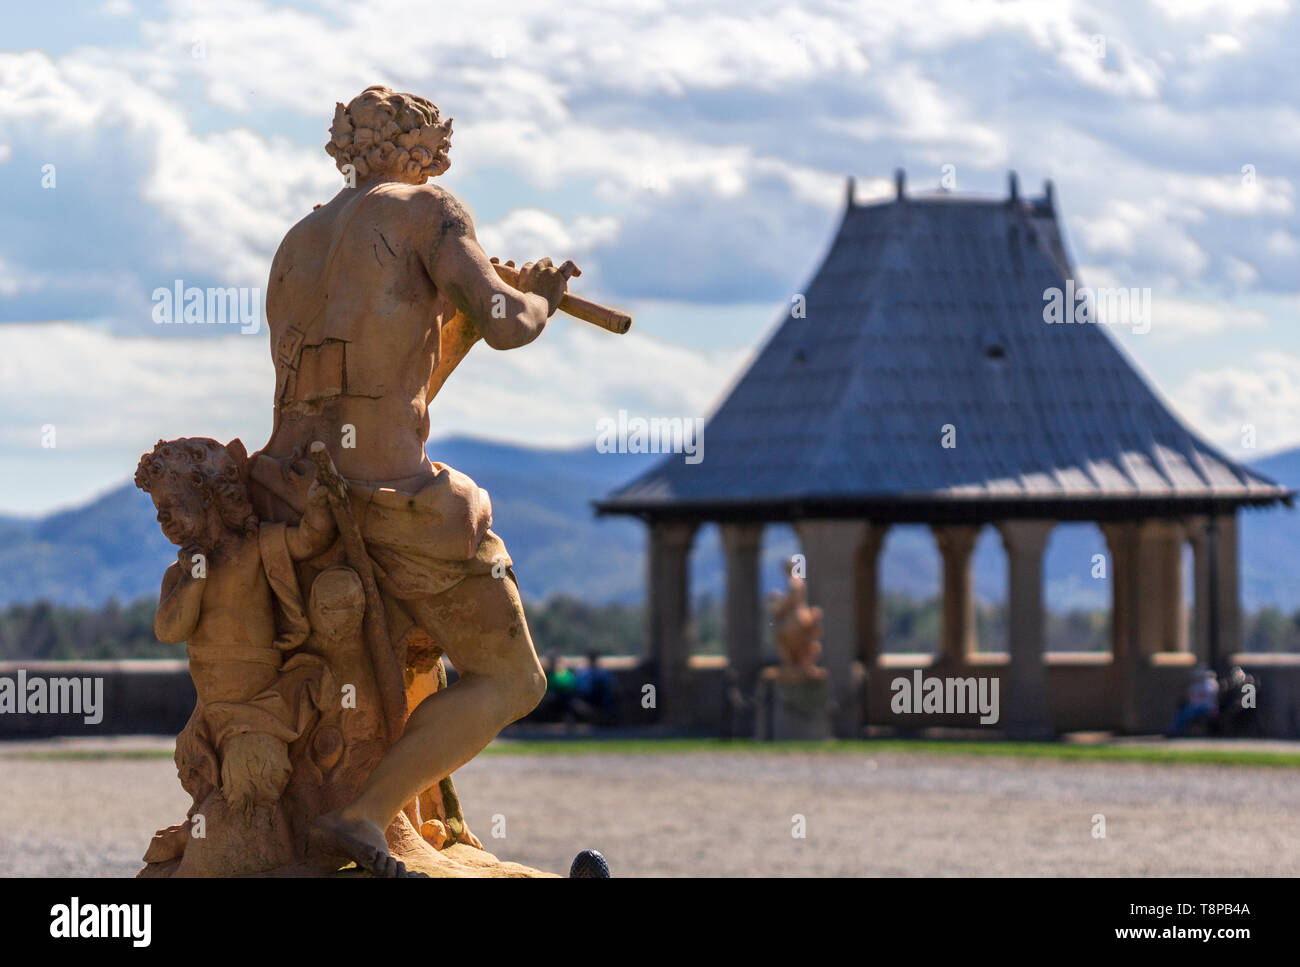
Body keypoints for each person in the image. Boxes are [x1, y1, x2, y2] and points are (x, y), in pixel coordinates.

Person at [252, 85, 578, 876]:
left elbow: (351, 377)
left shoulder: (297, 243)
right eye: (435, 154)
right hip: (388, 497)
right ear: (422, 151)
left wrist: (446, 311)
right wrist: (537, 297)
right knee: (515, 677)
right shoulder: (430, 210)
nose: (436, 166)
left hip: (287, 492)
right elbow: (505, 324)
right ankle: (360, 815)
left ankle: (392, 812)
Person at [1167, 668, 1220, 738]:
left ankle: (1174, 730)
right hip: (1198, 707)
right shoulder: (1198, 685)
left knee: (1187, 712)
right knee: (1183, 712)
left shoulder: (1211, 685)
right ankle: (1174, 730)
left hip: (1207, 708)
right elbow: (1191, 699)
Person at [574, 650, 618, 725]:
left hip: (600, 703)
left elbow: (612, 687)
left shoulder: (603, 673)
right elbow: (578, 689)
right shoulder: (582, 672)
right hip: (584, 700)